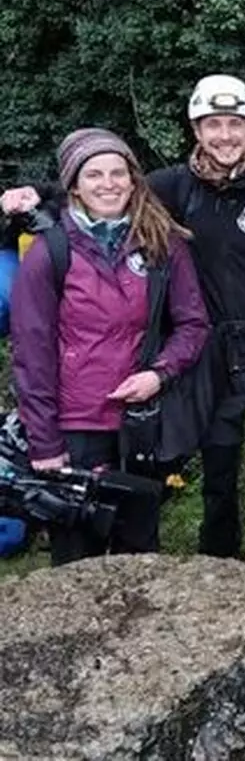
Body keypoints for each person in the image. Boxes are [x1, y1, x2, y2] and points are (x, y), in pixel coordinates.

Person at [10, 128, 210, 563]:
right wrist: (45, 442)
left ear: (134, 179)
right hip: (75, 425)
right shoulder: (50, 252)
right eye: (94, 174)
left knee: (138, 549)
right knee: (77, 554)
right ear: (74, 187)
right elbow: (32, 354)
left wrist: (160, 374)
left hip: (140, 421)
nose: (108, 184)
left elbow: (193, 324)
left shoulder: (162, 242)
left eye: (118, 172)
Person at [147, 74, 245, 558]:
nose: (225, 136)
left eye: (235, 124)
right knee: (218, 469)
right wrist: (35, 200)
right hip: (209, 358)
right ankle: (219, 564)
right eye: (213, 125)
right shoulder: (171, 188)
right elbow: (103, 193)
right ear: (196, 130)